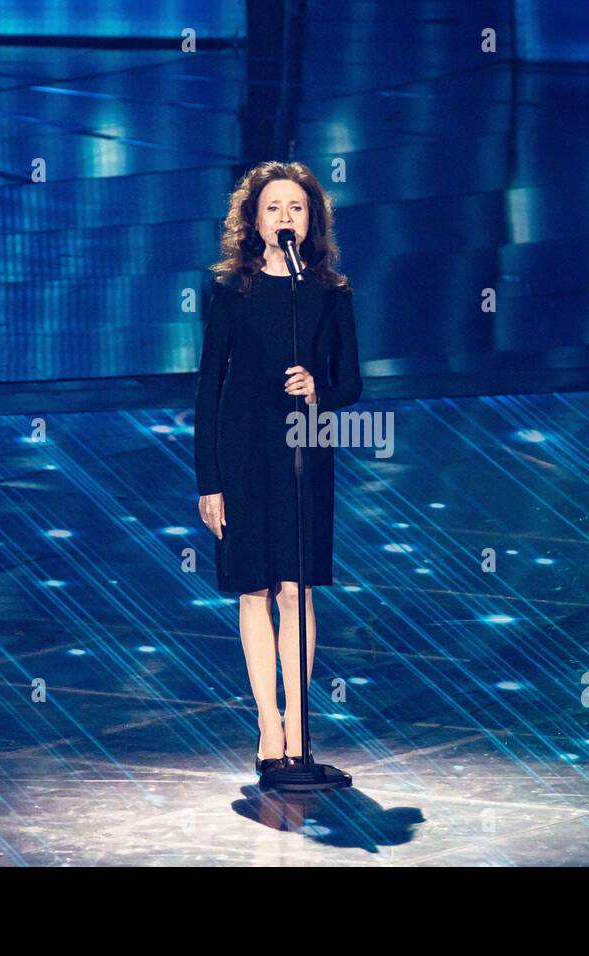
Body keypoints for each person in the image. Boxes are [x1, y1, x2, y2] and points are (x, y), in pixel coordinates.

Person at [193, 161, 362, 776]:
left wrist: (319, 389)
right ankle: (268, 724)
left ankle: (298, 727)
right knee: (256, 588)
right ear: (253, 219)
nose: (285, 217)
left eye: (296, 207)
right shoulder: (232, 293)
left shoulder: (328, 292)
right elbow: (209, 388)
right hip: (243, 453)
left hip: (304, 450)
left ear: (311, 218)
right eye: (273, 208)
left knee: (297, 590)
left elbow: (352, 383)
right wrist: (208, 480)